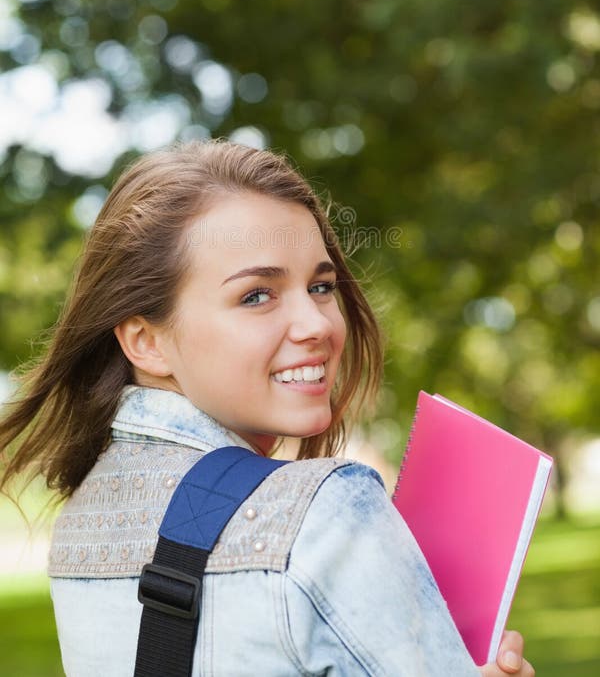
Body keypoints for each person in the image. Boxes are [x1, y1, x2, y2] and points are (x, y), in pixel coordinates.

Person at [0, 139, 534, 676]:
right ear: (146, 341)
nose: (318, 324)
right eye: (257, 295)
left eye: (321, 286)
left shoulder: (81, 523)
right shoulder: (327, 511)